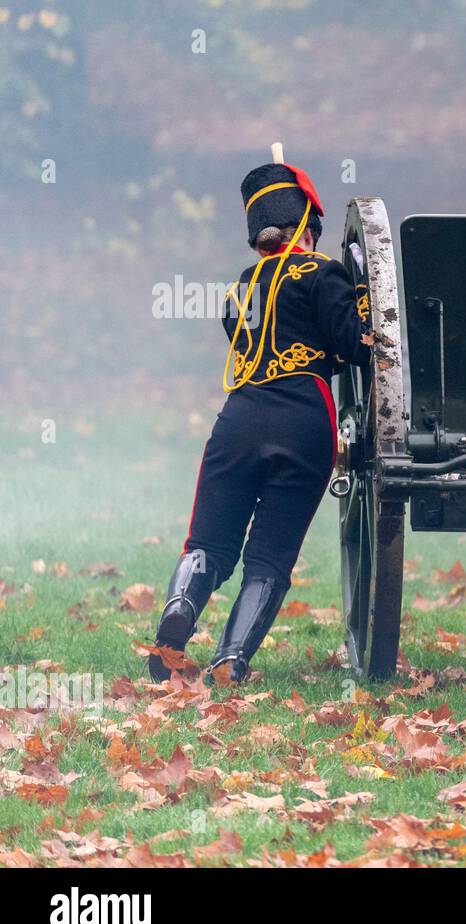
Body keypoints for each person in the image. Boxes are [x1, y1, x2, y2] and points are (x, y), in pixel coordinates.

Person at [148, 161, 371, 685]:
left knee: (207, 543)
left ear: (259, 239)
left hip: (240, 420)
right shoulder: (324, 274)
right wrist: (361, 301)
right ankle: (230, 660)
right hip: (304, 423)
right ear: (307, 232)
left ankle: (178, 613)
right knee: (270, 557)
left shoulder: (239, 291)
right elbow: (358, 347)